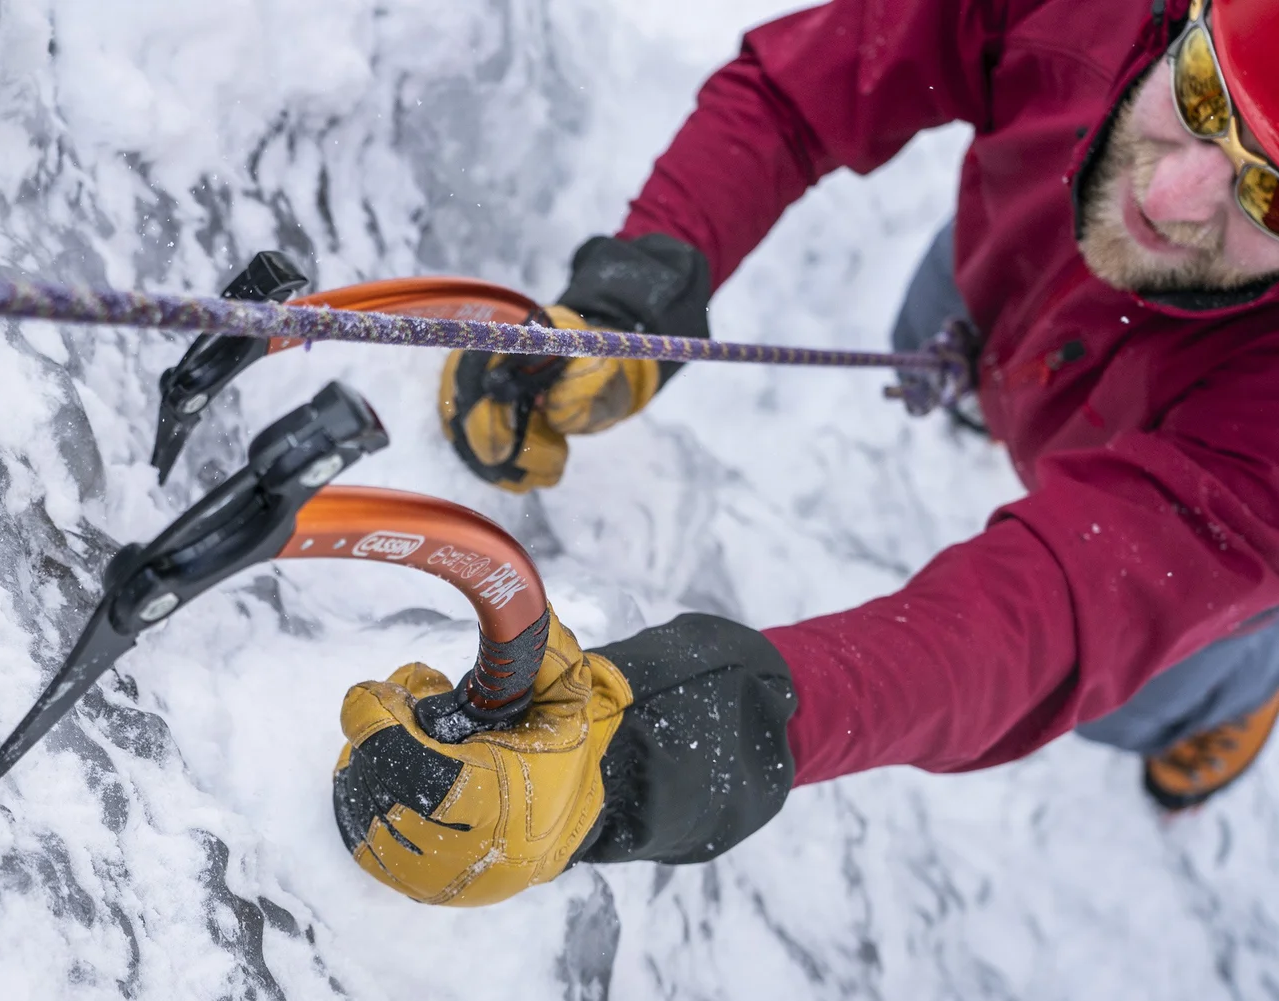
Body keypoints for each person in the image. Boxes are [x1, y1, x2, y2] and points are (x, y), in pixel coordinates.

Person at [331, 0, 1279, 906]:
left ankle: (1243, 694)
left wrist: (650, 750)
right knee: (942, 314)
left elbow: (1055, 615)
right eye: (1202, 94)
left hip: (1215, 477)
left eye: (1270, 192)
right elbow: (810, 89)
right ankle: (1005, 381)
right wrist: (641, 285)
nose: (1170, 194)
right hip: (1022, 263)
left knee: (1138, 696)